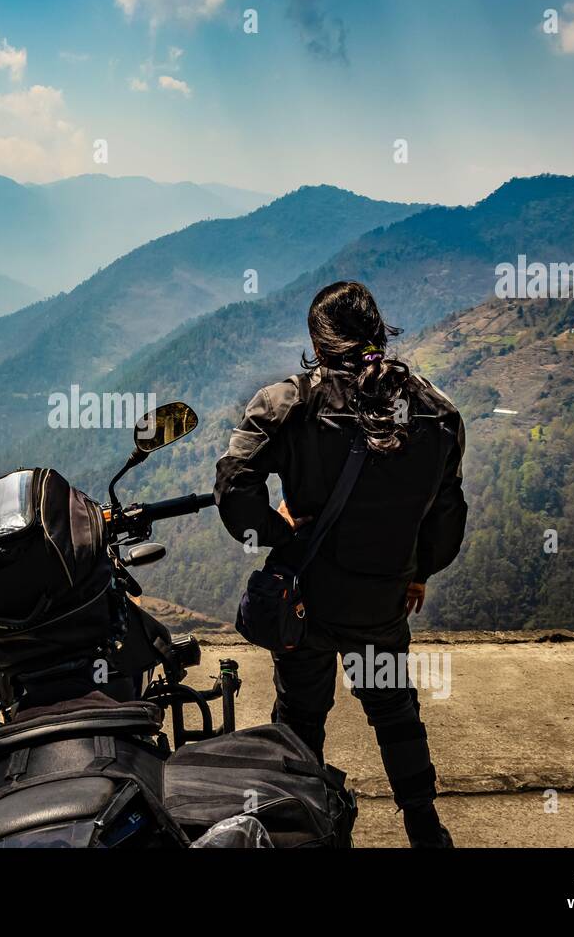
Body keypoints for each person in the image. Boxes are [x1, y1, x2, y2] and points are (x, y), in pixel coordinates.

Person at [214, 280, 466, 848]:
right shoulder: (437, 413)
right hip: (381, 601)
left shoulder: (288, 405)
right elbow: (447, 517)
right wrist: (419, 571)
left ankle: (309, 833)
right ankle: (424, 827)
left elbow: (234, 489)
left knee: (301, 718)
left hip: (305, 601)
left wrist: (278, 530)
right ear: (378, 331)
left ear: (316, 339)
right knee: (395, 711)